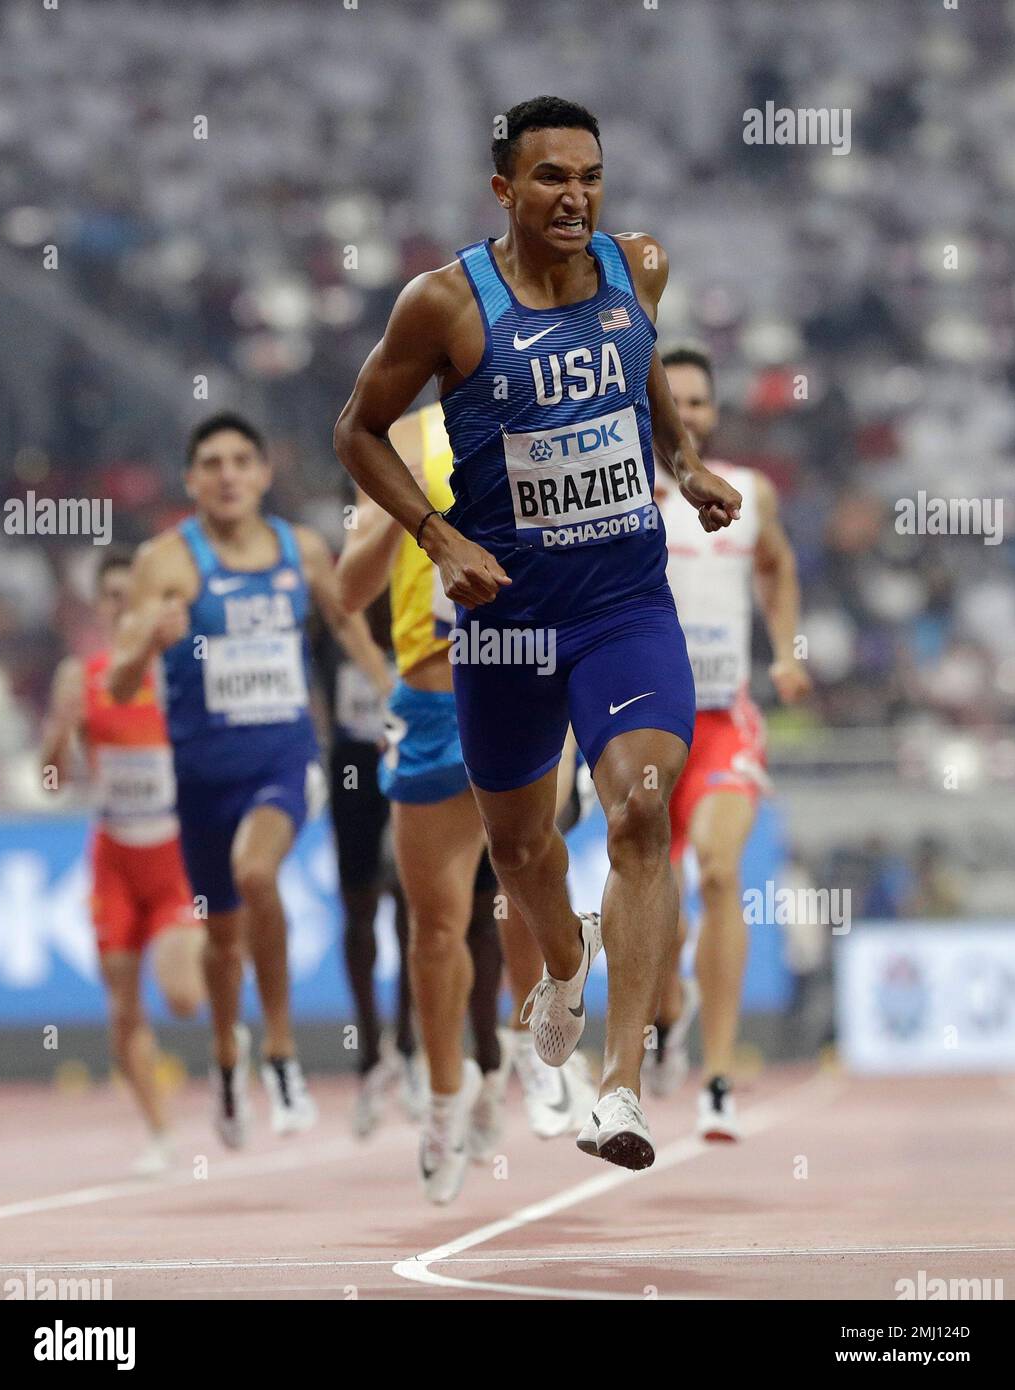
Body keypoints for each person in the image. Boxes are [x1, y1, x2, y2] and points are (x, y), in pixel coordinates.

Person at [334, 96, 741, 1170]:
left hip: (622, 607)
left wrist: (683, 462)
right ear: (503, 190)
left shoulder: (637, 265)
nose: (576, 196)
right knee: (518, 851)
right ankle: (562, 966)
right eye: (551, 177)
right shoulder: (442, 304)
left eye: (590, 176)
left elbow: (641, 360)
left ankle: (621, 1089)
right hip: (505, 617)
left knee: (640, 817)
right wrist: (435, 536)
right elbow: (355, 430)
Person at [109, 412, 391, 1148]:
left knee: (256, 874)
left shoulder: (301, 549)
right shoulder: (167, 562)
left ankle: (280, 1055)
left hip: (285, 761)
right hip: (201, 777)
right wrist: (147, 647)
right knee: (222, 937)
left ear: (265, 474)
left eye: (242, 460)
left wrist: (396, 698)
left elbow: (349, 625)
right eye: (212, 463)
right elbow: (118, 679)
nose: (228, 474)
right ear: (191, 480)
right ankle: (229, 1060)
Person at [337, 400, 593, 1202]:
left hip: (524, 681)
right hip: (429, 702)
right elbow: (346, 591)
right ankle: (446, 1101)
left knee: (526, 880)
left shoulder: (549, 412)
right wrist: (398, 512)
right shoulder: (404, 441)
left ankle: (539, 1053)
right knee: (436, 924)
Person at [651, 345, 812, 1139]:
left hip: (723, 722)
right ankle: (664, 1014)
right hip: (644, 726)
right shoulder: (625, 498)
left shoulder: (750, 493)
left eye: (701, 402)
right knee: (659, 906)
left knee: (720, 874)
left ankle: (717, 1074)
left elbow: (777, 570)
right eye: (672, 400)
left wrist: (785, 651)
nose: (689, 415)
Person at [41, 550, 205, 1175]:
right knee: (122, 1009)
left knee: (184, 998)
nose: (117, 607)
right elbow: (52, 781)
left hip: (172, 859)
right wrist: (61, 733)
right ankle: (161, 1130)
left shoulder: (174, 673)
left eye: (125, 595)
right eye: (107, 597)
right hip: (113, 860)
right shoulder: (76, 678)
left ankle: (224, 1028)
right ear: (99, 606)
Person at [309, 594, 422, 1137]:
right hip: (351, 761)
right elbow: (308, 673)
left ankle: (409, 1044)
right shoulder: (337, 593)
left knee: (410, 900)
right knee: (358, 905)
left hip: (410, 751)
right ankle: (371, 1056)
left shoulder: (420, 575)